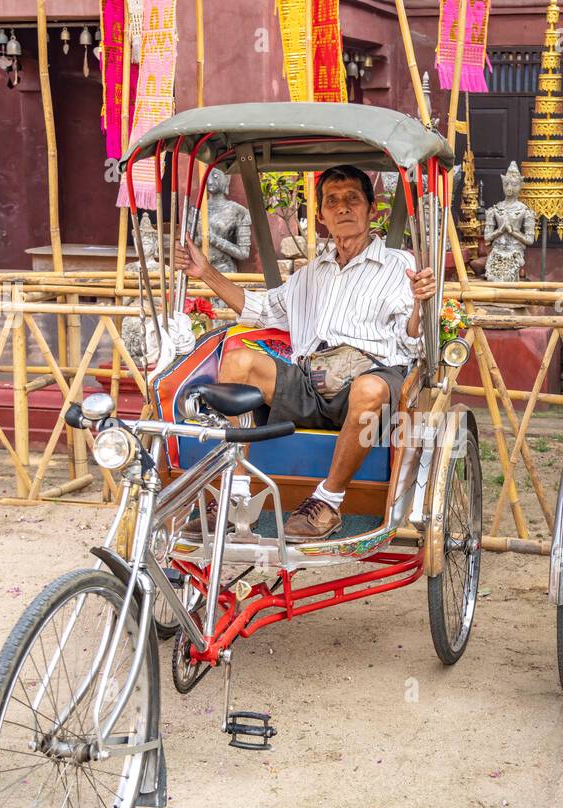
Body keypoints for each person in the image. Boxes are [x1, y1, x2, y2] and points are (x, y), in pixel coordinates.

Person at [174, 164, 435, 541]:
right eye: (333, 201)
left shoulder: (401, 265)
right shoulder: (312, 273)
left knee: (369, 389)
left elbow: (412, 341)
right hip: (310, 378)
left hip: (374, 376)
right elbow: (260, 309)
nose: (343, 208)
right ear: (320, 215)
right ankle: (236, 498)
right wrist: (206, 272)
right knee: (238, 362)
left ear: (371, 209)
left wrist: (418, 303)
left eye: (352, 199)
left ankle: (327, 503)